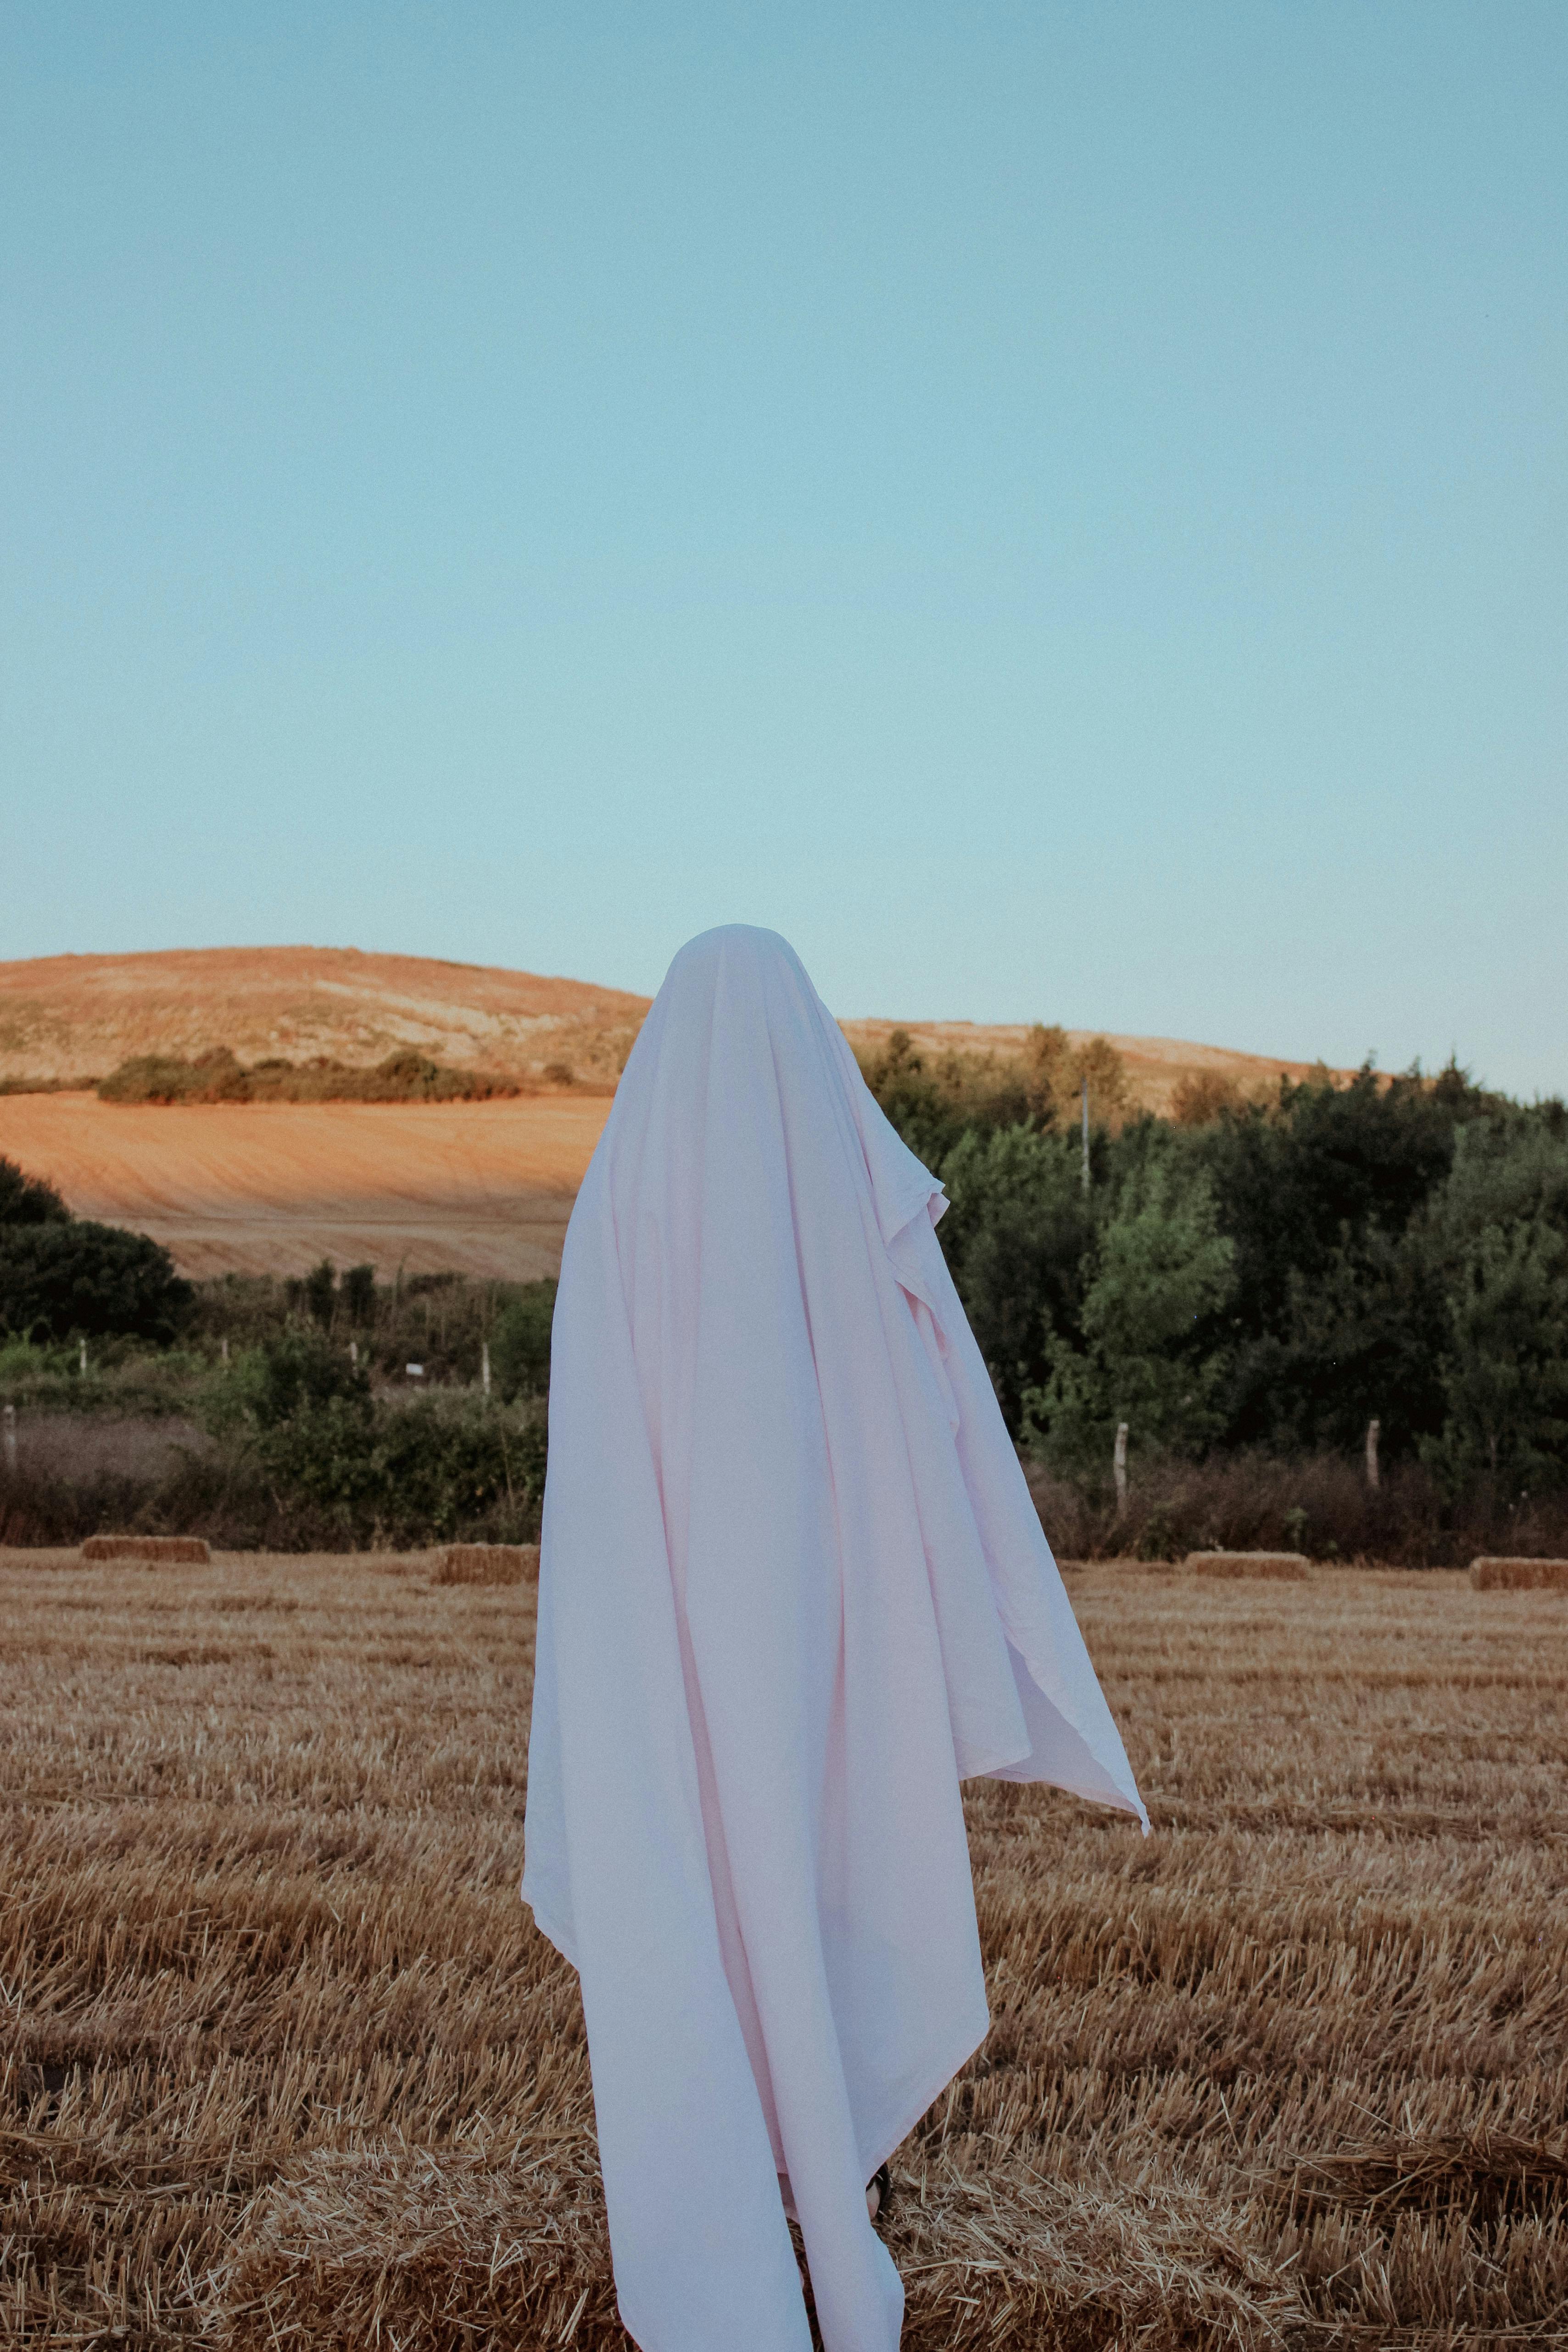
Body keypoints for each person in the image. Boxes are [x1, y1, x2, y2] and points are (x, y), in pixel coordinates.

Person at [522, 925, 1145, 2352]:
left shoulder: (622, 1203)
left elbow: (600, 1472)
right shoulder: (850, 1195)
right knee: (816, 1856)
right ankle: (824, 2193)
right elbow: (932, 1420)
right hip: (824, 1632)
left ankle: (751, 2212)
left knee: (686, 1879)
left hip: (664, 1626)